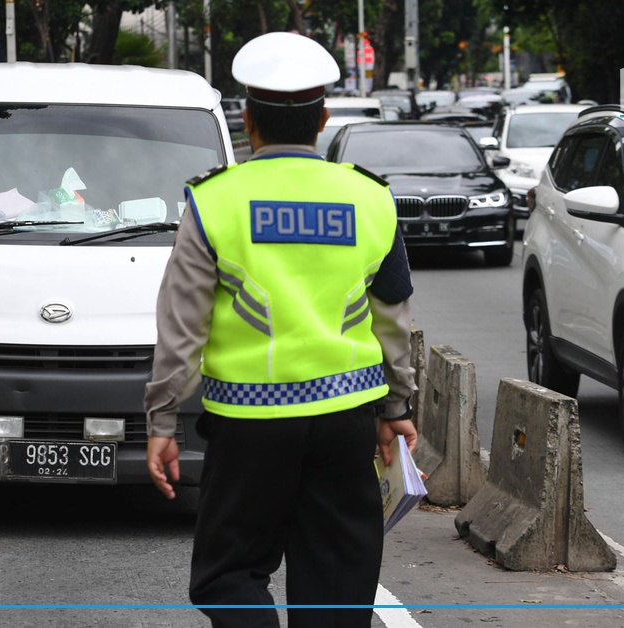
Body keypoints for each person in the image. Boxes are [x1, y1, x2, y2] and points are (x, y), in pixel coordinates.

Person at [143, 32, 420, 627]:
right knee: (338, 584)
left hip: (247, 425)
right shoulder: (371, 199)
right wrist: (396, 406)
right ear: (323, 118)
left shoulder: (214, 201)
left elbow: (182, 323)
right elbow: (393, 316)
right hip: (346, 419)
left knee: (229, 574)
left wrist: (162, 418)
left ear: (248, 120)